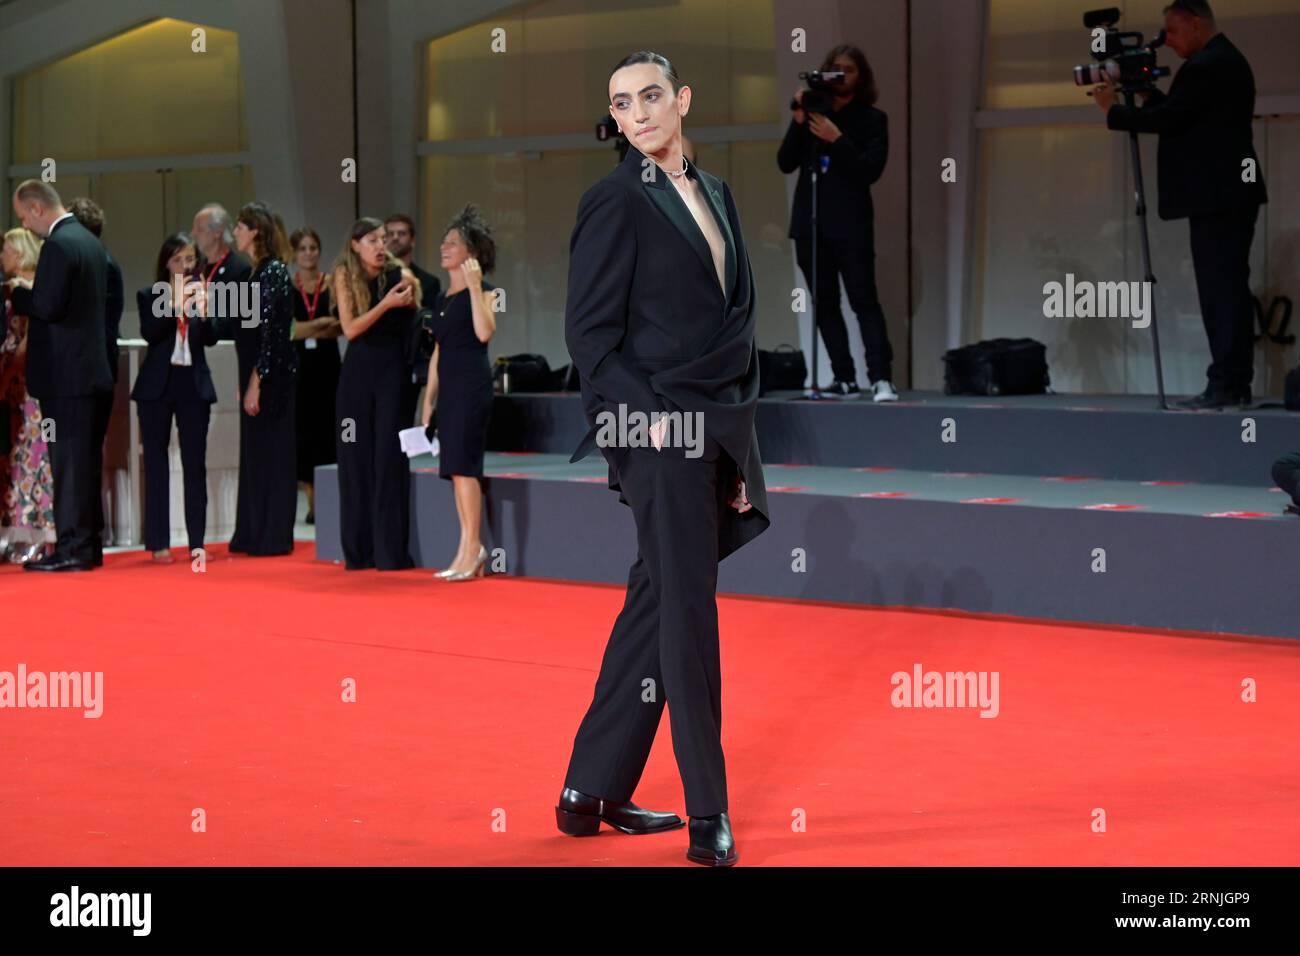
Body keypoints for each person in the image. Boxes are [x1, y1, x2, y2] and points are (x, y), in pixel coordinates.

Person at [557, 52, 770, 867]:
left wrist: (737, 454)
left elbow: (736, 332)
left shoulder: (717, 195)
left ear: (682, 99)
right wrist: (653, 427)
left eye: (650, 96)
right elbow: (591, 340)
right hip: (656, 434)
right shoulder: (612, 199)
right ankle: (708, 809)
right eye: (621, 103)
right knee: (689, 611)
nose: (638, 113)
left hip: (712, 431)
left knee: (658, 597)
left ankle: (588, 789)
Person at [1096, 0, 1267, 409]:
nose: (1168, 43)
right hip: (1227, 194)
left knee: (1221, 291)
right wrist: (1149, 94)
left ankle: (1227, 383)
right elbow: (1185, 116)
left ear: (1194, 23)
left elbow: (1172, 120)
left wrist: (1113, 111)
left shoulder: (1208, 66)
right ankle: (1230, 381)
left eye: (1172, 32)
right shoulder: (1223, 62)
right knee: (1225, 288)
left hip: (1219, 196)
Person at [777, 43, 895, 402]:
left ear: (861, 78)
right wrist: (800, 122)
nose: (841, 75)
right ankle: (843, 378)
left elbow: (869, 171)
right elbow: (785, 162)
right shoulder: (813, 114)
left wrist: (837, 139)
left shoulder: (873, 120)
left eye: (850, 69)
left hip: (851, 225)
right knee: (824, 304)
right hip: (810, 225)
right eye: (835, 68)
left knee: (863, 300)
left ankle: (880, 379)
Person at [9, 180, 112, 572]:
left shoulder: (57, 244)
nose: (26, 225)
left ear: (37, 208)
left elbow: (47, 306)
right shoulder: (89, 242)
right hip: (89, 373)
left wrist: (18, 293)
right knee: (83, 464)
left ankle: (71, 548)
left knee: (68, 464)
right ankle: (87, 547)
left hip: (65, 378)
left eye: (23, 217)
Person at [333, 217, 420, 571]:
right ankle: (358, 551)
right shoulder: (343, 274)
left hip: (393, 376)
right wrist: (385, 304)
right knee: (354, 459)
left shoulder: (402, 277)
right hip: (356, 375)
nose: (380, 245)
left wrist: (403, 297)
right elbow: (350, 329)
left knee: (388, 459)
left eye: (383, 239)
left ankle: (389, 552)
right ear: (355, 245)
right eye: (372, 239)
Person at [419, 205, 497, 581]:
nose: (444, 247)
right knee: (453, 470)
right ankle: (465, 547)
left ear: (471, 253)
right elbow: (437, 350)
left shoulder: (487, 291)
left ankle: (473, 547)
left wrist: (475, 285)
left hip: (472, 386)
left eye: (453, 243)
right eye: (444, 242)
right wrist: (428, 398)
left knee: (466, 468)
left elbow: (484, 333)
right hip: (448, 388)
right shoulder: (441, 298)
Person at [132, 233, 218, 562]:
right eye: (179, 259)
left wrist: (206, 311)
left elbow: (210, 338)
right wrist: (177, 306)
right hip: (157, 387)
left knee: (194, 464)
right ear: (166, 262)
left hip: (193, 385)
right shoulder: (150, 294)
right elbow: (151, 333)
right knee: (156, 465)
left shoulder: (204, 292)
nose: (186, 265)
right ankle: (159, 543)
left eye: (191, 259)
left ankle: (197, 541)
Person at [227, 201, 297, 556]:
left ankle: (272, 533)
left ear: (254, 231)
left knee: (272, 453)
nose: (235, 232)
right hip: (255, 370)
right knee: (256, 454)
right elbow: (246, 330)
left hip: (271, 376)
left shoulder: (273, 272)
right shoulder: (253, 273)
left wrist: (257, 378)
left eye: (240, 226)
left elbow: (272, 334)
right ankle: (254, 530)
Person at [68, 197, 123, 563]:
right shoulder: (107, 263)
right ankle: (91, 539)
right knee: (88, 457)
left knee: (82, 458)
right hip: (103, 369)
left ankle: (84, 540)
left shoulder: (93, 265)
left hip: (90, 372)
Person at [0, 228, 56, 564]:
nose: (2, 256)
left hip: (26, 387)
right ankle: (25, 533)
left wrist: (6, 374)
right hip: (22, 387)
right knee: (25, 458)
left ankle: (34, 533)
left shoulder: (21, 289)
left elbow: (25, 342)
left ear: (19, 253)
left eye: (6, 249)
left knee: (30, 459)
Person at [288, 227, 342, 523]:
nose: (308, 253)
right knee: (304, 435)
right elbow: (289, 329)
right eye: (303, 248)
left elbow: (342, 325)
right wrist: (320, 324)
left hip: (328, 368)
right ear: (294, 254)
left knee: (328, 432)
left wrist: (313, 327)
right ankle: (312, 502)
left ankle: (330, 497)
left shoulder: (333, 284)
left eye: (313, 248)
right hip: (300, 370)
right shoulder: (289, 286)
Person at [385, 214, 442, 425]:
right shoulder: (374, 280)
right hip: (381, 355)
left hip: (411, 358)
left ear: (413, 239)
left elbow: (430, 323)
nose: (395, 238)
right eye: (390, 234)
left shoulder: (429, 282)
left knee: (403, 418)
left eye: (401, 233)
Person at [192, 203, 253, 342]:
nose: (193, 233)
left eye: (199, 229)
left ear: (217, 232)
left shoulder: (240, 270)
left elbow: (237, 321)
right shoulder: (197, 269)